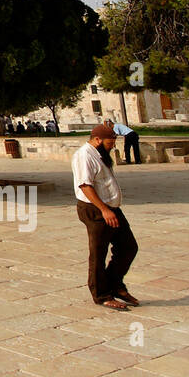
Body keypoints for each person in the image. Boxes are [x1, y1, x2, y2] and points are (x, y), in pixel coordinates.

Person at [72, 124, 139, 311]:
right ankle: (101, 295)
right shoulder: (84, 156)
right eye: (110, 142)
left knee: (128, 247)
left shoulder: (100, 154)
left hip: (111, 208)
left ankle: (115, 284)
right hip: (96, 210)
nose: (113, 146)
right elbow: (85, 185)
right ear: (97, 140)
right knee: (98, 254)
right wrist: (104, 209)